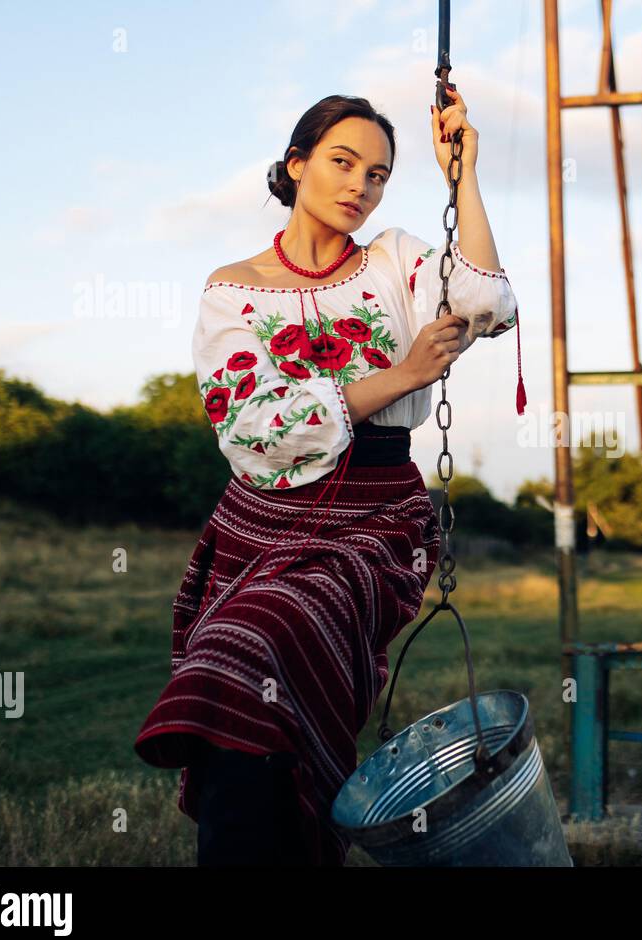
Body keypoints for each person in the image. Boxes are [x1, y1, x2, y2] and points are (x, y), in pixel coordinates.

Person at [133, 90, 522, 866]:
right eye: (342, 163)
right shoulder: (232, 288)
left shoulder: (394, 262)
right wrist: (400, 374)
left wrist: (463, 177)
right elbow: (253, 426)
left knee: (260, 640)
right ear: (296, 164)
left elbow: (485, 300)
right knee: (235, 684)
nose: (360, 187)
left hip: (375, 522)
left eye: (377, 175)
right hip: (261, 519)